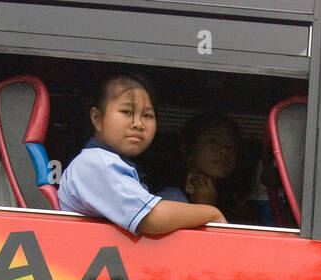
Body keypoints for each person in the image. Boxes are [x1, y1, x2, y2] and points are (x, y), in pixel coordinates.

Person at [58, 75, 225, 235]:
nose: (138, 124)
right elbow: (151, 218)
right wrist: (212, 213)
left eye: (147, 115)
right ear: (96, 118)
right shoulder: (97, 163)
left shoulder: (113, 163)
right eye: (127, 112)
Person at [157, 113, 243, 215]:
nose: (224, 150)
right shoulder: (171, 198)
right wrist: (204, 209)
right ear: (187, 150)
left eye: (231, 146)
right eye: (213, 141)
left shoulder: (237, 203)